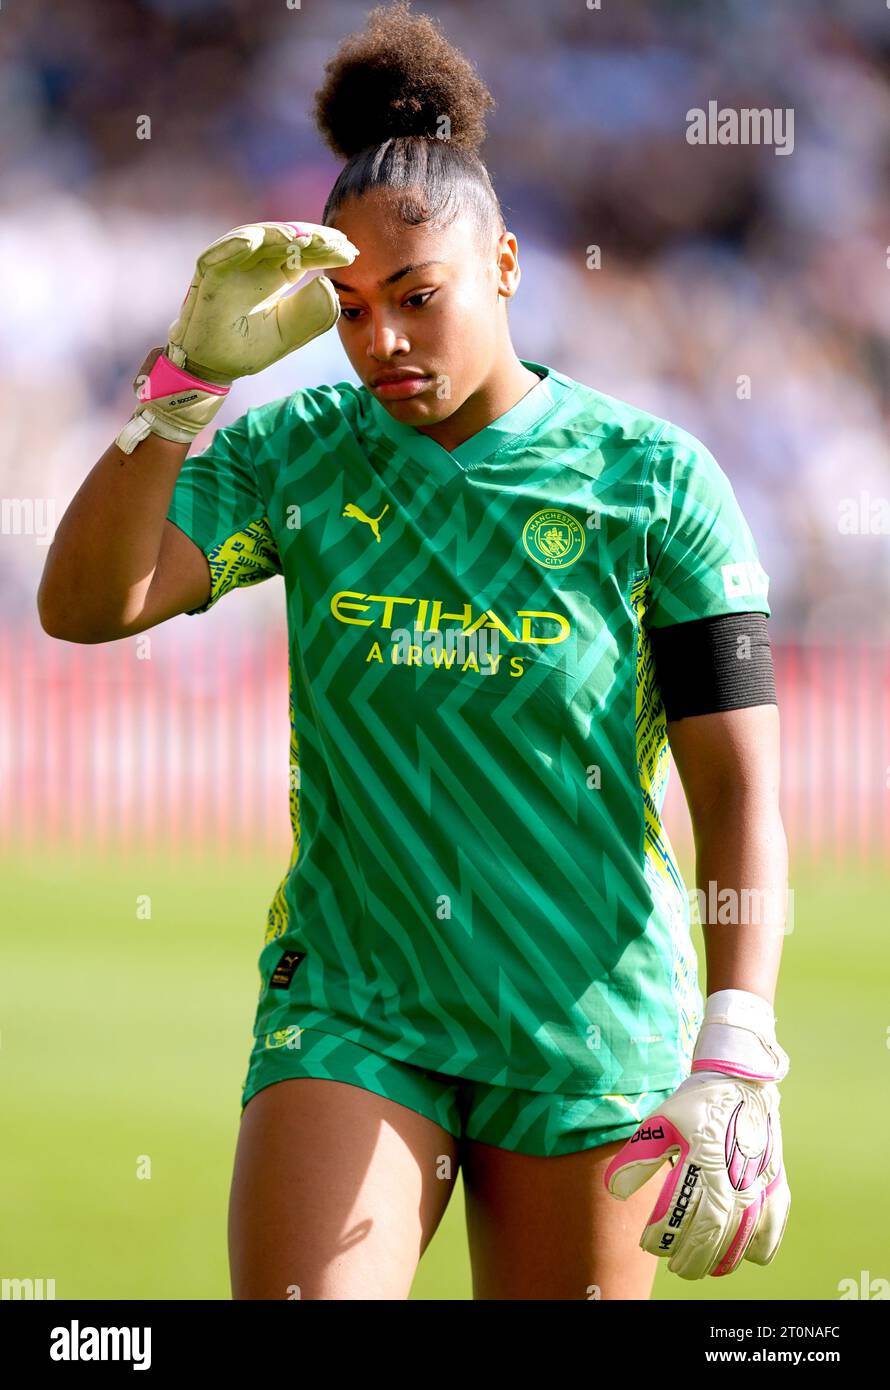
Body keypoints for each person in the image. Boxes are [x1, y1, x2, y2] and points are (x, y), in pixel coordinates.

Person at [37, 0, 791, 1300]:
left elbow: (737, 789)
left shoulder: (652, 479)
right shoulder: (299, 451)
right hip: (351, 1002)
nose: (379, 338)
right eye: (348, 308)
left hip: (586, 1022)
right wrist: (183, 384)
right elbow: (87, 603)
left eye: (416, 297)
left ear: (503, 264)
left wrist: (733, 1041)